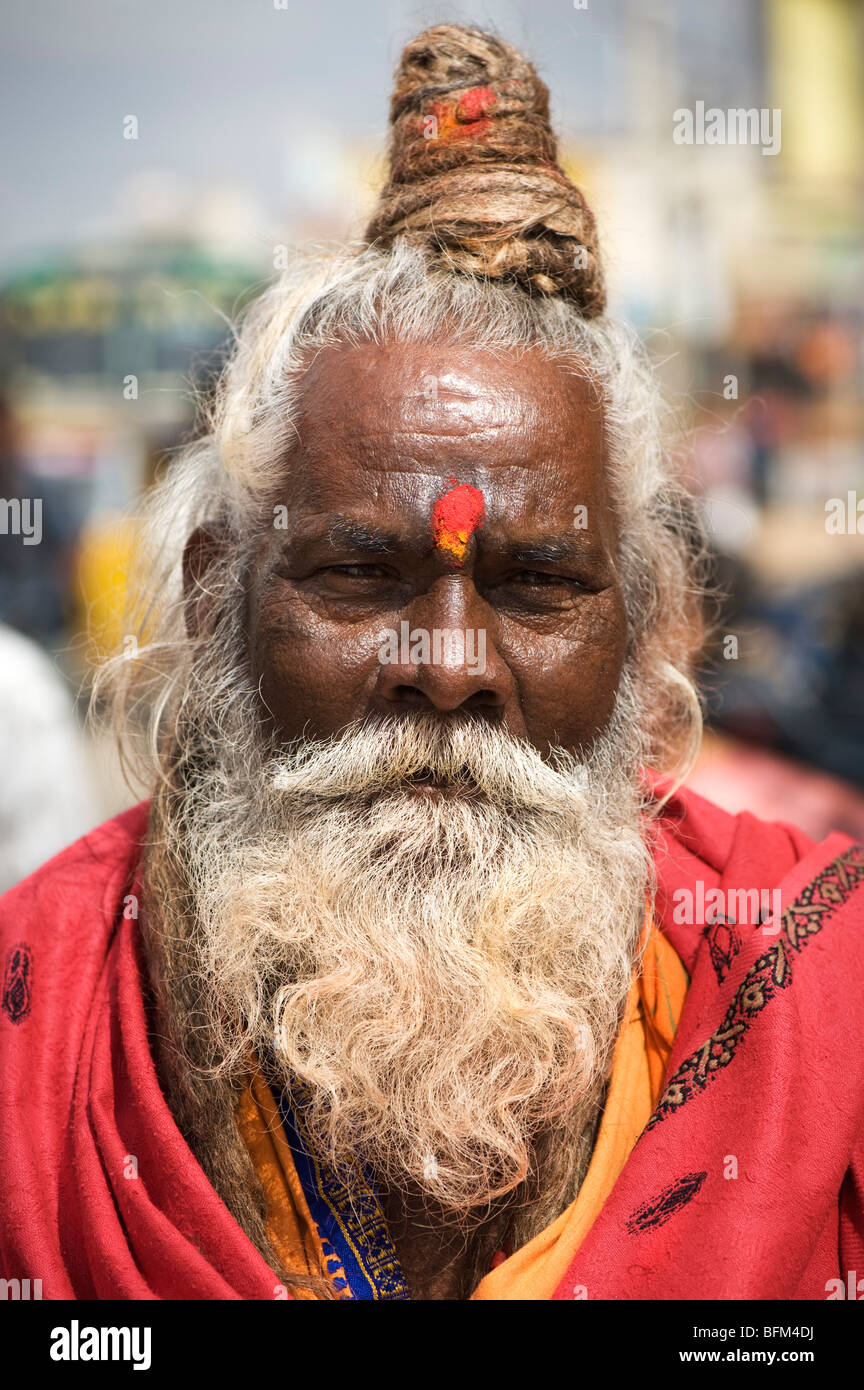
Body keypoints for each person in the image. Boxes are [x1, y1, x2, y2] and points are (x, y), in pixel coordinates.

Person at [1, 24, 862, 1303]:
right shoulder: (42, 1026)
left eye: (539, 585)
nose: (450, 666)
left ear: (645, 626)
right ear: (215, 600)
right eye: (358, 575)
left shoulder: (819, 991)